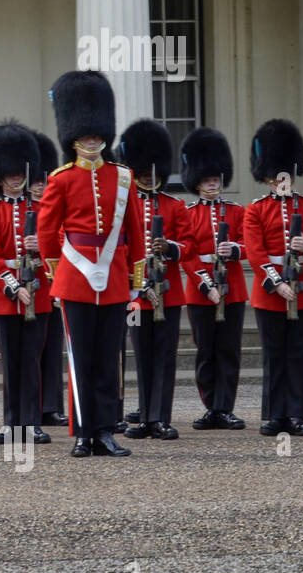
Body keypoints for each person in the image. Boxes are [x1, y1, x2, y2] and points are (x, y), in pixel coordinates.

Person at [36, 71, 145, 458]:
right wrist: (56, 275)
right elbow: (48, 232)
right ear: (74, 136)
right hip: (76, 274)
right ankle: (84, 432)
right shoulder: (60, 179)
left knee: (107, 359)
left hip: (114, 276)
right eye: (85, 135)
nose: (92, 140)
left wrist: (136, 279)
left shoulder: (123, 178)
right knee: (80, 357)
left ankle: (105, 430)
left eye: (97, 135)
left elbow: (135, 232)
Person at [243, 119, 303, 437]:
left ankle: (297, 414)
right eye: (276, 176)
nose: (281, 180)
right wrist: (276, 282)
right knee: (274, 353)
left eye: (285, 175)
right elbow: (255, 250)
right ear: (267, 178)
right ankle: (275, 413)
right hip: (270, 292)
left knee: (301, 354)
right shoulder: (256, 210)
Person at [0, 120, 51, 444]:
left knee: (32, 361)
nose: (15, 178)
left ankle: (32, 422)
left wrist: (43, 246)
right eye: (9, 174)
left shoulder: (42, 209)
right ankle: (12, 423)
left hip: (39, 292)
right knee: (11, 363)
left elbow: (59, 244)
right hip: (7, 296)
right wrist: (13, 286)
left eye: (19, 172)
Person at [117, 119, 188, 440]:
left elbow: (188, 245)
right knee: (142, 357)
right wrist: (138, 285)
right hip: (137, 294)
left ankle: (160, 417)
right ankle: (145, 416)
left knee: (164, 356)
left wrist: (169, 247)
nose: (149, 176)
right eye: (143, 170)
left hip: (168, 294)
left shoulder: (175, 205)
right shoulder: (127, 206)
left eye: (153, 170)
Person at [178, 127, 247, 430]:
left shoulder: (236, 211)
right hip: (199, 290)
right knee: (205, 350)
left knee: (229, 349)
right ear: (197, 182)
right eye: (207, 180)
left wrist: (234, 249)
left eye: (216, 179)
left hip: (232, 288)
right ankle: (210, 406)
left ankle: (225, 407)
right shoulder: (187, 213)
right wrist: (205, 284)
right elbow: (187, 253)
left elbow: (250, 245)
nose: (213, 184)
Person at [30, 130, 70, 428]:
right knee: (31, 350)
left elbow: (63, 237)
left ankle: (52, 405)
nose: (38, 187)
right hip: (25, 289)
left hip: (52, 284)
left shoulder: (55, 206)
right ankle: (32, 405)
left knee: (53, 348)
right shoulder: (17, 208)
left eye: (42, 181)